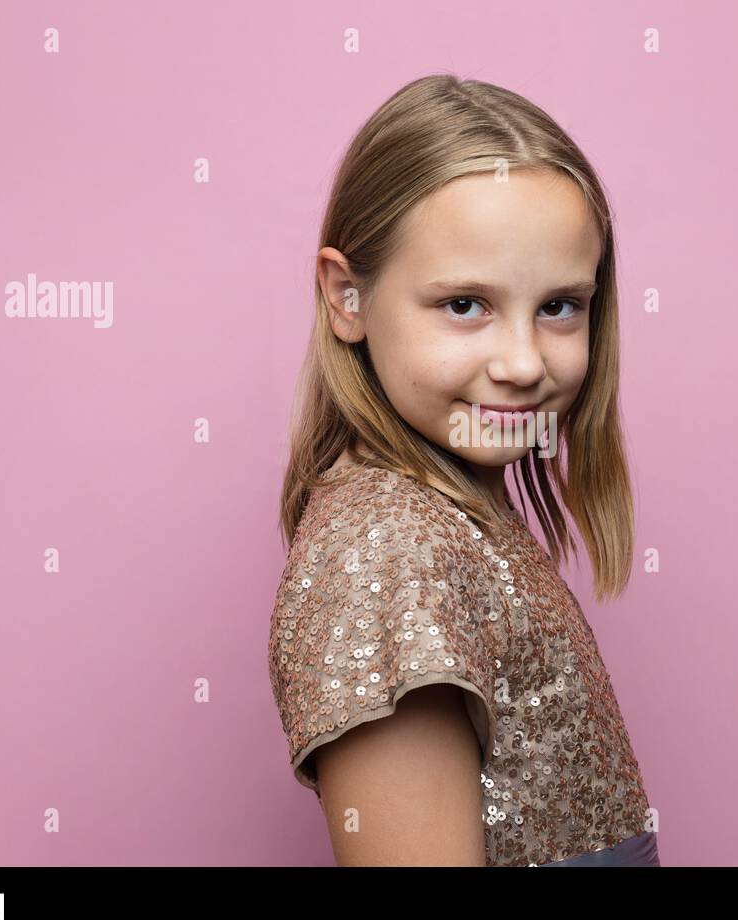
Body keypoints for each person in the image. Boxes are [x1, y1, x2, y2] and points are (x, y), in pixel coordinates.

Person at [268, 73, 659, 867]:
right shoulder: (387, 552)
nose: (522, 363)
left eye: (559, 307)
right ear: (348, 297)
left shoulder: (450, 521)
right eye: (464, 305)